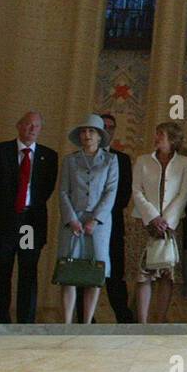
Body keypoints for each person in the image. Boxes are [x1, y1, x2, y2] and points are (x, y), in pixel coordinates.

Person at [0, 111, 59, 323]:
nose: (32, 129)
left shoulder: (48, 156)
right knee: (0, 274)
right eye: (28, 124)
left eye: (37, 126)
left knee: (28, 272)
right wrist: (4, 209)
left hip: (29, 224)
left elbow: (46, 190)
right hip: (2, 222)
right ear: (19, 126)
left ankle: (26, 324)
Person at [57, 114, 119, 324]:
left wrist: (95, 220)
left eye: (91, 131)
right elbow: (63, 192)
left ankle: (86, 324)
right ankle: (66, 323)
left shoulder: (111, 160)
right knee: (69, 273)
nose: (87, 135)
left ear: (100, 136)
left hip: (98, 225)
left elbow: (110, 192)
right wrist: (72, 219)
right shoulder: (70, 160)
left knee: (94, 274)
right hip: (72, 222)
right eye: (83, 131)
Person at [131, 121, 187, 324]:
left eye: (161, 135)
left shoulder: (184, 163)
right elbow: (137, 191)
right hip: (146, 223)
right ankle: (143, 322)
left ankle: (160, 319)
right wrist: (152, 217)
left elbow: (184, 193)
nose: (156, 138)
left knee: (167, 273)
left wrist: (166, 221)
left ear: (172, 140)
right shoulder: (143, 160)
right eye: (156, 134)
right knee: (144, 273)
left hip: (171, 226)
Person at [99, 111, 136, 323]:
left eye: (110, 127)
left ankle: (124, 320)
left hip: (112, 224)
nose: (106, 130)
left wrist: (100, 215)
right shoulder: (77, 158)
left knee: (115, 275)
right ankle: (84, 320)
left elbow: (123, 195)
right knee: (82, 274)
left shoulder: (121, 159)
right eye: (103, 126)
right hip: (84, 226)